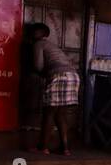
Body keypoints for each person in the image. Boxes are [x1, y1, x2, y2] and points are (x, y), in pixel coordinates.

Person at [33, 24, 79, 155]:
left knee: (49, 112)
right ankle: (65, 149)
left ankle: (43, 147)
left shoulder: (38, 44)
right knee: (60, 114)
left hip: (59, 75)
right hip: (73, 76)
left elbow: (38, 66)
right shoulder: (52, 45)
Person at [19, 22, 45, 149]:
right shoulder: (32, 46)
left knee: (32, 108)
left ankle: (29, 141)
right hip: (32, 78)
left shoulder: (36, 45)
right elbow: (38, 66)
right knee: (31, 108)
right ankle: (29, 142)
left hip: (32, 78)